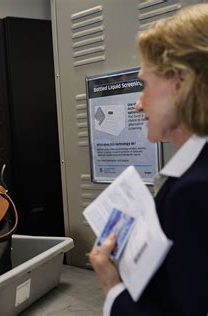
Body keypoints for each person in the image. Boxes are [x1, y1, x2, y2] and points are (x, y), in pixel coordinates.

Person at [89, 4, 208, 315]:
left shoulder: (194, 190)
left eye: (145, 84)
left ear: (179, 83)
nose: (138, 105)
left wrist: (112, 285)